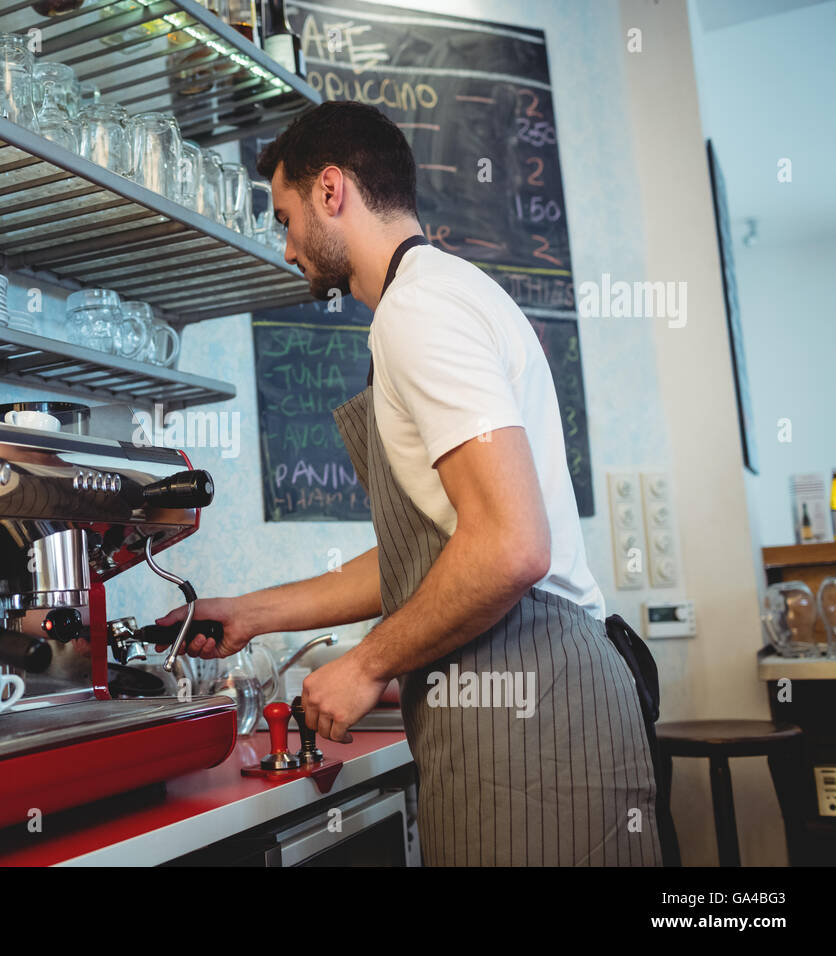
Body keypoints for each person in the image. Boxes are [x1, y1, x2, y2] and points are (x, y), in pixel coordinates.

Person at [155, 101, 660, 866]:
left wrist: (364, 664)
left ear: (332, 192)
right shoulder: (441, 295)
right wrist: (254, 614)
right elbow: (428, 560)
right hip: (520, 696)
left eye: (287, 217)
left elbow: (511, 547)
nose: (288, 248)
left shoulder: (417, 310)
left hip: (533, 701)